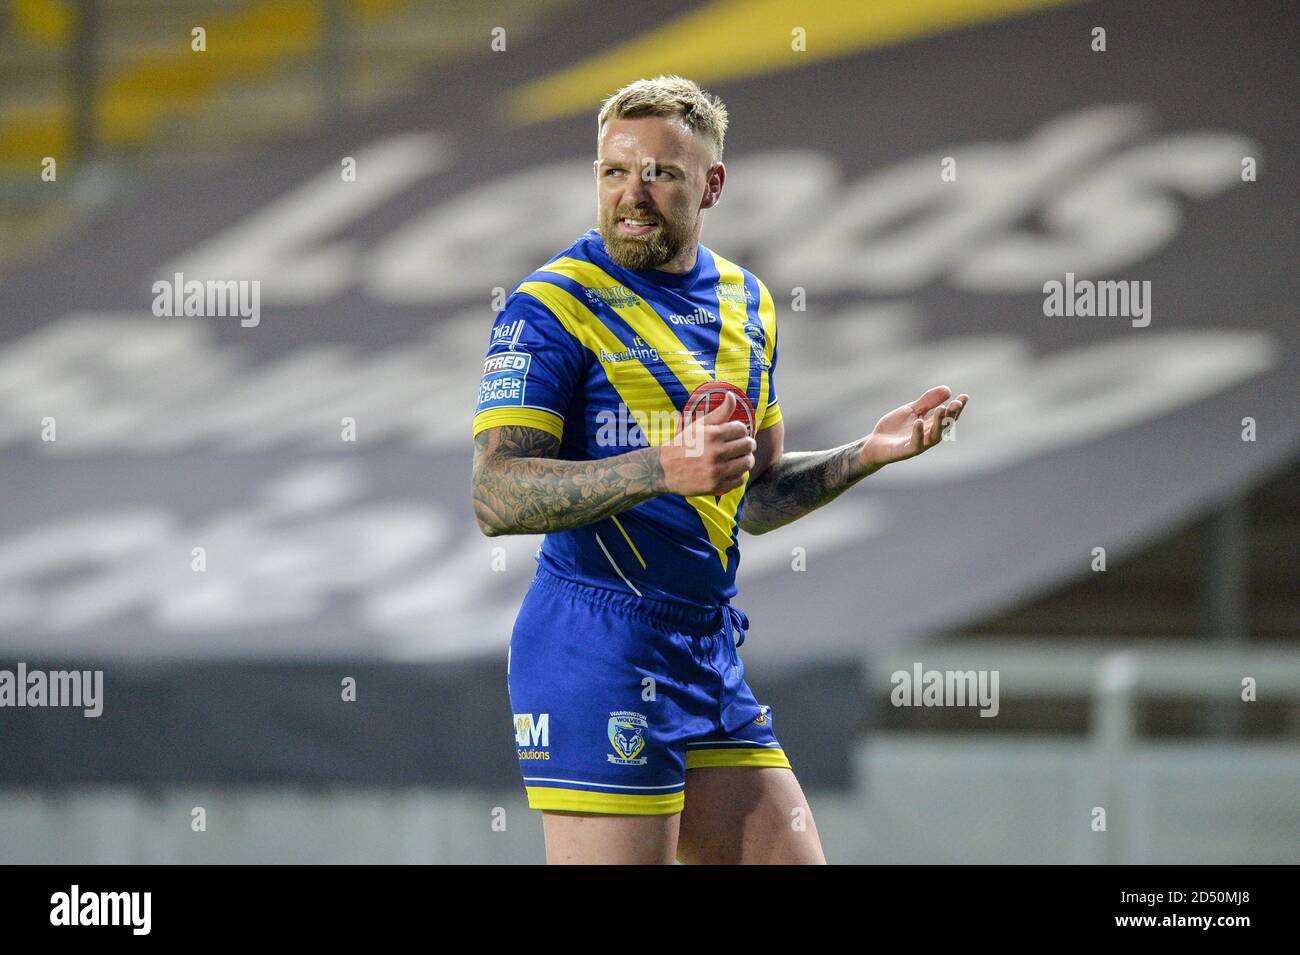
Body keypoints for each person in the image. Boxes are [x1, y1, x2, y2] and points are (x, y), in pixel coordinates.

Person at [471, 75, 968, 864]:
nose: (632, 194)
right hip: (595, 646)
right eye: (613, 171)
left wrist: (865, 455)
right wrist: (661, 468)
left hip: (702, 648)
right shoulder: (550, 305)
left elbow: (756, 494)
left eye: (661, 173)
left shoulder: (748, 303)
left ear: (713, 184)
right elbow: (495, 494)